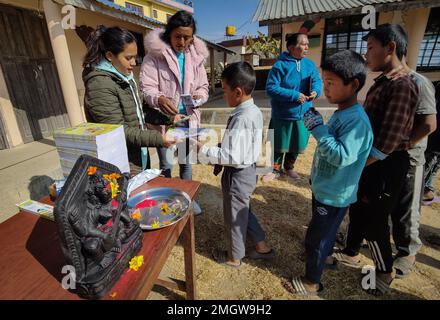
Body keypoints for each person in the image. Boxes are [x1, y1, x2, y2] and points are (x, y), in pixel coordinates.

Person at [334, 24, 419, 296]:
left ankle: (384, 271)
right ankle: (349, 251)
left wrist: (354, 163)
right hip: (370, 162)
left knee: (375, 220)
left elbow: (387, 143)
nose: (366, 53)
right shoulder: (384, 82)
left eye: (371, 47)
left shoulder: (402, 85)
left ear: (390, 47)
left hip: (384, 165)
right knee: (358, 207)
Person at [282, 50, 373, 295]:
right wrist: (320, 125)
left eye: (331, 83)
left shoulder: (356, 121)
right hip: (326, 189)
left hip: (334, 194)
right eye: (325, 82)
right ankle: (324, 258)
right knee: (323, 233)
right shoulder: (343, 113)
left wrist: (317, 128)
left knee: (317, 238)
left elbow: (341, 156)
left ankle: (312, 281)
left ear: (353, 84)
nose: (326, 89)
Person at [195, 62, 274, 268]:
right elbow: (241, 146)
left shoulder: (242, 118)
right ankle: (261, 245)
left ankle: (234, 257)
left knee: (234, 218)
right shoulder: (253, 110)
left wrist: (202, 150)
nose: (223, 94)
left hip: (237, 175)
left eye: (224, 89)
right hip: (248, 171)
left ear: (237, 91)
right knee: (243, 210)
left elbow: (232, 156)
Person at [82, 26, 176, 175]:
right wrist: (159, 139)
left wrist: (169, 118)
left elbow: (140, 111)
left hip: (137, 156)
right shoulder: (100, 85)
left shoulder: (125, 77)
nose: (134, 63)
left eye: (135, 57)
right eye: (128, 58)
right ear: (110, 56)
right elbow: (118, 131)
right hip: (121, 163)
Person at [140, 11, 208, 215]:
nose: (182, 41)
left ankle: (187, 199)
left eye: (187, 37)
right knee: (166, 163)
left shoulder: (196, 57)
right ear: (169, 33)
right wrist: (159, 99)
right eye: (177, 36)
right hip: (164, 122)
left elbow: (204, 86)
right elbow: (147, 87)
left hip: (188, 120)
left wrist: (199, 97)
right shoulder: (155, 55)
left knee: (186, 162)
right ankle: (167, 200)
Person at [263, 33, 322, 182]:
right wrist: (294, 95)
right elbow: (271, 88)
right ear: (291, 47)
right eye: (303, 44)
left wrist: (316, 90)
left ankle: (289, 167)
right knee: (278, 143)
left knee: (297, 143)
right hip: (283, 114)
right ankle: (274, 170)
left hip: (304, 114)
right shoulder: (280, 65)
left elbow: (317, 81)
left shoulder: (309, 65)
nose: (307, 47)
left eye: (307, 44)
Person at [423, 82, 440, 202]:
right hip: (434, 142)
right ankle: (423, 190)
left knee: (434, 166)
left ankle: (426, 189)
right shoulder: (436, 87)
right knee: (430, 166)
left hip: (435, 143)